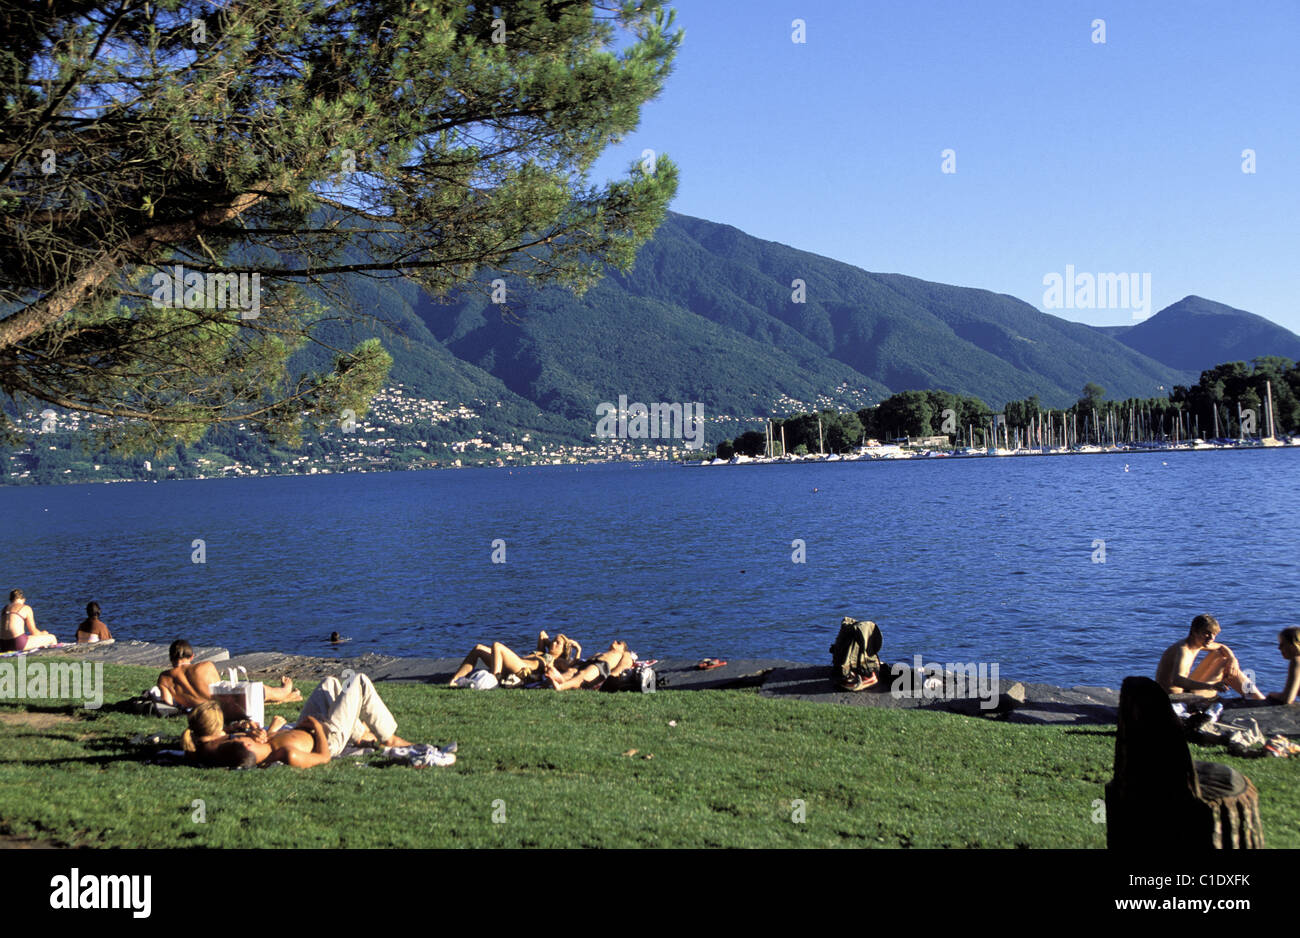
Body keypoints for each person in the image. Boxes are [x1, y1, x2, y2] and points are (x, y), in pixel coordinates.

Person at [185, 673, 412, 768]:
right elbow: (323, 757)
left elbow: (259, 743)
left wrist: (252, 729)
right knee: (357, 680)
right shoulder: (229, 747)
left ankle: (360, 736)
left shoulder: (215, 743)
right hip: (326, 737)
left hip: (299, 728)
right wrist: (314, 727)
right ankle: (388, 738)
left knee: (331, 683)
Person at [157, 638, 302, 709]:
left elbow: (168, 704)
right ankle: (285, 691)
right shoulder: (205, 666)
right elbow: (222, 689)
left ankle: (289, 697)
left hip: (204, 709)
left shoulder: (164, 678)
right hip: (225, 702)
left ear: (171, 658)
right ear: (192, 656)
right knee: (257, 690)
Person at [1154, 614, 1264, 699]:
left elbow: (1221, 647)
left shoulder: (1197, 643)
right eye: (1207, 633)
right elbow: (1177, 680)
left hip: (1185, 691)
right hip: (1177, 699)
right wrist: (1211, 686)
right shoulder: (1183, 650)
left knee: (1221, 656)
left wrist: (1232, 658)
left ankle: (1254, 697)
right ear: (1194, 631)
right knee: (1224, 663)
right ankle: (1257, 699)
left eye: (1214, 634)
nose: (1211, 638)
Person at [449, 630, 581, 686]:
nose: (553, 643)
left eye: (557, 643)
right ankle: (454, 681)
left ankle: (493, 681)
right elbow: (542, 634)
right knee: (478, 648)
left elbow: (573, 666)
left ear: (564, 650)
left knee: (497, 646)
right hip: (510, 664)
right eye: (553, 640)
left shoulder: (557, 661)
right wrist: (552, 643)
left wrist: (577, 649)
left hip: (523, 670)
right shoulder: (541, 652)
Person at [546, 639, 635, 691]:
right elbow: (577, 664)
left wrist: (614, 675)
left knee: (583, 675)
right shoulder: (600, 653)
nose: (615, 641)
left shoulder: (624, 653)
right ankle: (558, 679)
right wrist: (578, 650)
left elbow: (625, 664)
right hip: (590, 662)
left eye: (619, 642)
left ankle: (561, 686)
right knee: (572, 671)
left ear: (623, 648)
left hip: (601, 666)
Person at [1266, 627, 1300, 705]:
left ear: (1294, 646)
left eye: (1282, 644)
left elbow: (1288, 699)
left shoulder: (1297, 661)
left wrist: (1272, 694)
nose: (1279, 648)